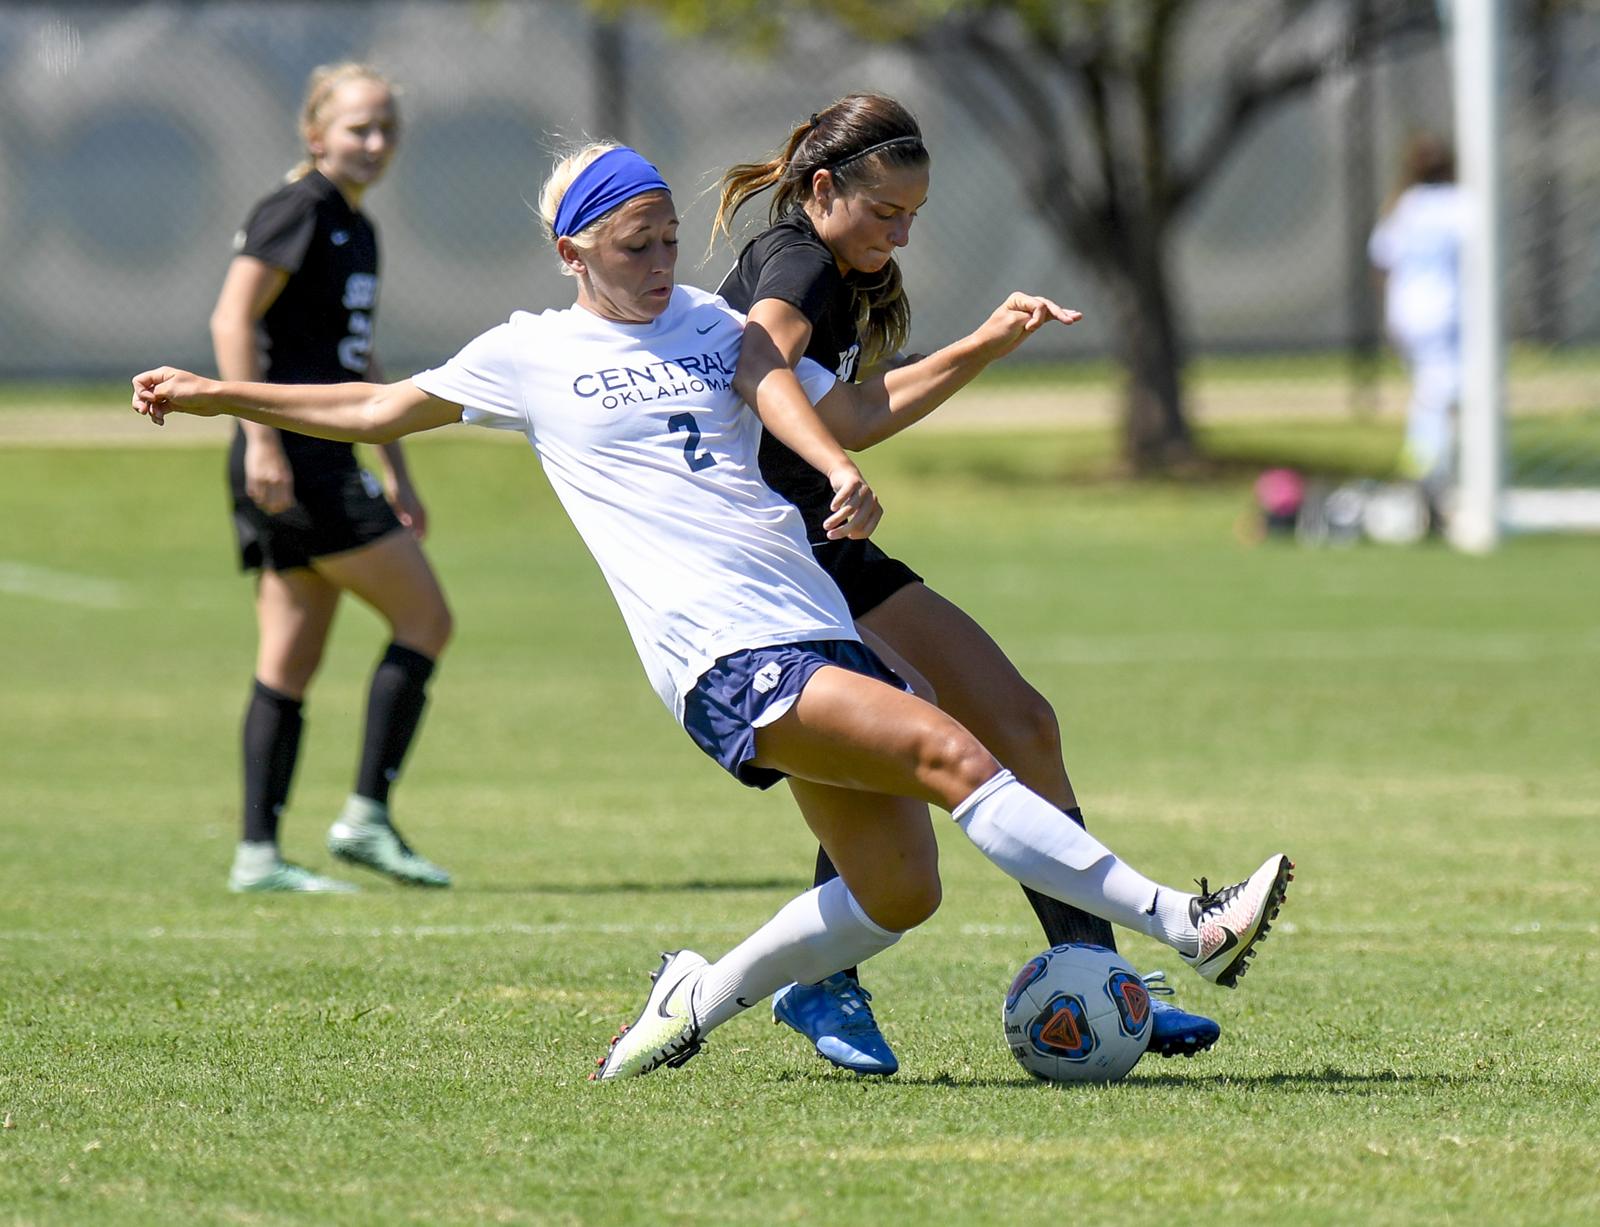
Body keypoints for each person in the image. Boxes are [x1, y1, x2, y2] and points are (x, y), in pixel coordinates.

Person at [132, 143, 1294, 1084]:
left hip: (808, 616)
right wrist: (220, 395)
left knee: (900, 891)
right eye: (632, 245)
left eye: (668, 239)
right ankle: (1185, 923)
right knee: (953, 751)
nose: (658, 263)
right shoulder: (529, 354)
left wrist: (836, 471)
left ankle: (696, 995)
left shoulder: (707, 323)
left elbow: (793, 397)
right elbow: (374, 407)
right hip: (718, 650)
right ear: (571, 251)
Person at [711, 92, 1220, 1073]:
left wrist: (983, 344)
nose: (900, 234)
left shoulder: (839, 272)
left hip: (828, 544)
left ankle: (1102, 981)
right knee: (906, 722)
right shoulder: (798, 262)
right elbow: (756, 358)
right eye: (884, 212)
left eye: (912, 215)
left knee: (1021, 722)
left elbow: (856, 412)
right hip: (772, 559)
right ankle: (821, 978)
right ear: (823, 188)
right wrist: (837, 468)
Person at [210, 63, 452, 892]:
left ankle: (257, 855)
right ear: (315, 135)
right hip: (298, 461)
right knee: (426, 618)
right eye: (358, 128)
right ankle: (366, 818)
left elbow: (358, 359)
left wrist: (396, 465)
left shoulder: (357, 225)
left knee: (289, 658)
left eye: (387, 128)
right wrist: (262, 442)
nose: (376, 142)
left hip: (322, 455)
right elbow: (231, 318)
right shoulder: (298, 208)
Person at [1368, 133, 1465, 511]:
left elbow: (1382, 262)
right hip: (1449, 312)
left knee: (1431, 390)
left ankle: (1432, 469)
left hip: (1408, 314)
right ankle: (1427, 474)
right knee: (1443, 393)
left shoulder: (1403, 207)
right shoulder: (1461, 205)